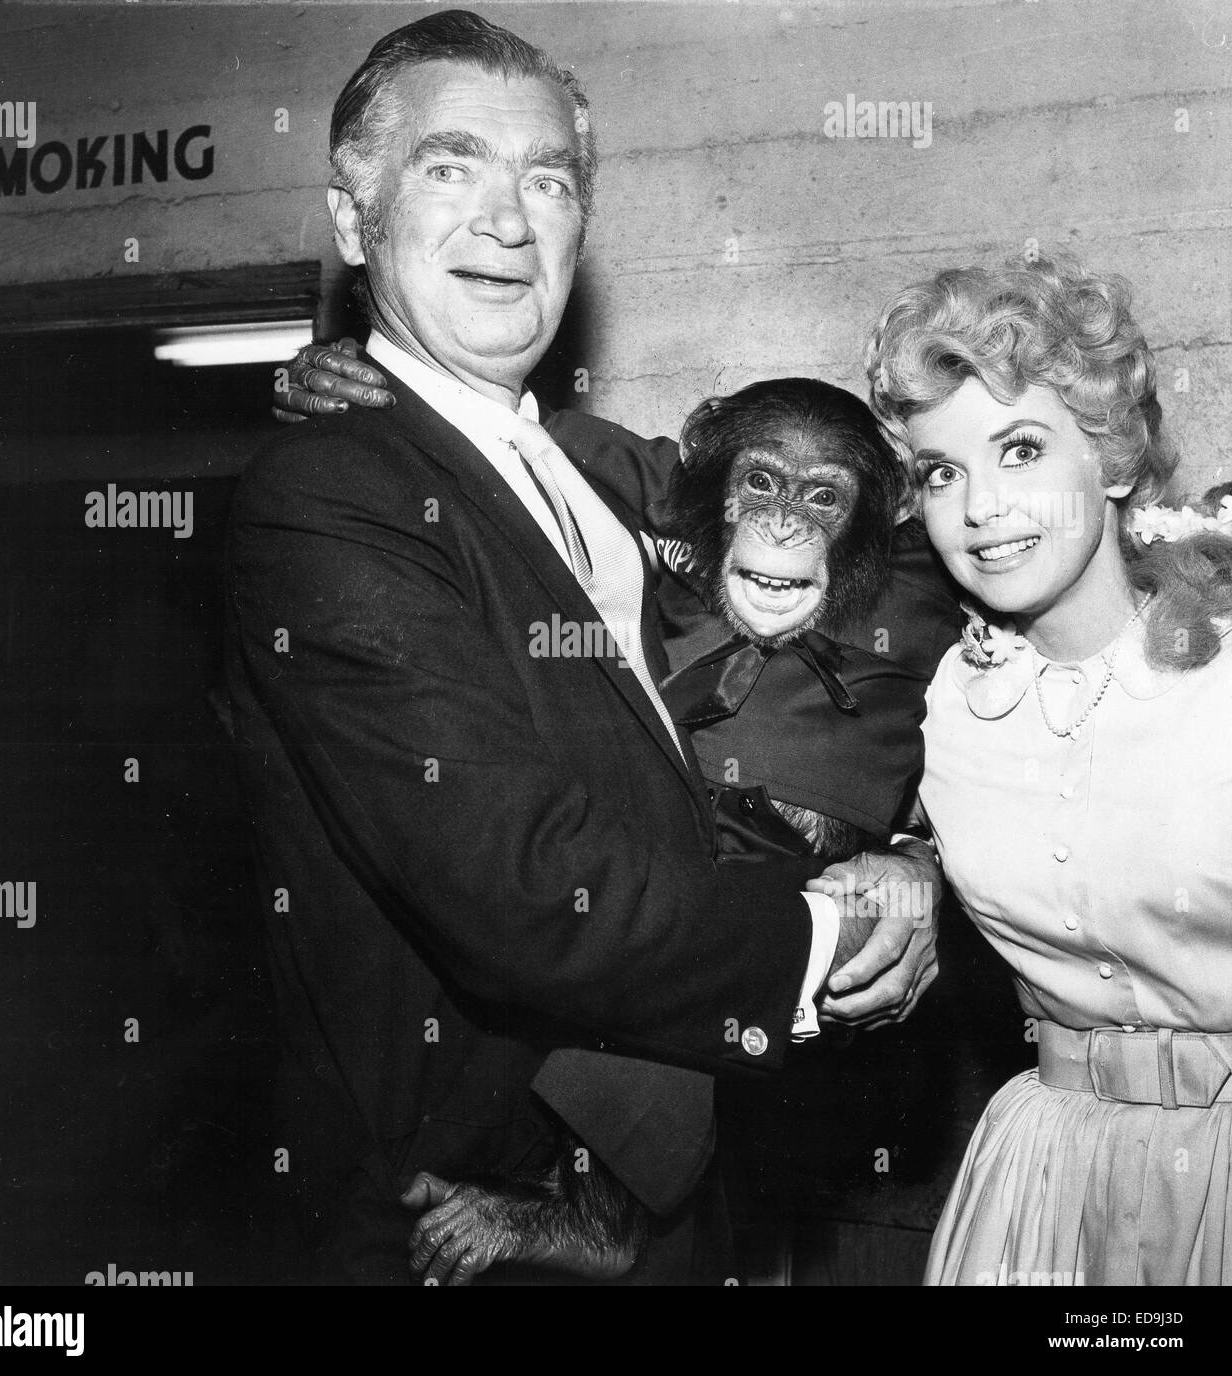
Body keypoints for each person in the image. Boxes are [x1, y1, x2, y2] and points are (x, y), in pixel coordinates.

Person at [225, 10, 938, 1284]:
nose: (508, 219)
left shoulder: (590, 479)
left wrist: (915, 869)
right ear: (353, 222)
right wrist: (834, 942)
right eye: (452, 168)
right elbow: (519, 885)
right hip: (467, 1188)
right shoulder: (333, 484)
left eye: (547, 181)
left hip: (678, 1144)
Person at [865, 255, 1232, 1285]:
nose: (980, 506)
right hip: (1049, 1182)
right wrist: (904, 863)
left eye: (1020, 450)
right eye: (941, 472)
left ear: (1110, 455)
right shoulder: (941, 704)